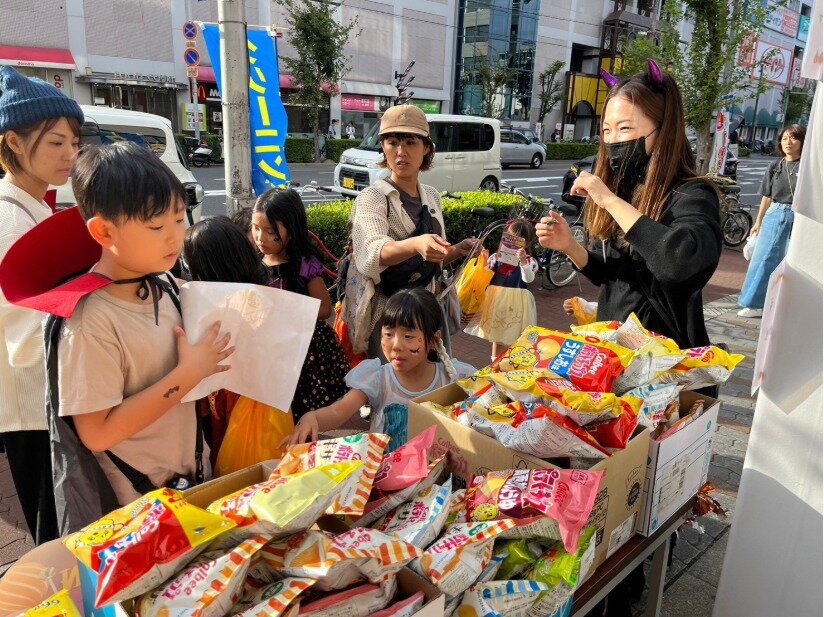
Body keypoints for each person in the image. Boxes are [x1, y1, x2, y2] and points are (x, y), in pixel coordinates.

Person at [58, 142, 233, 506]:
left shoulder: (164, 283)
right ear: (104, 232)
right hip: (142, 504)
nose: (175, 236)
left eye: (179, 218)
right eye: (156, 225)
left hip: (193, 478)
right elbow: (97, 434)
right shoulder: (91, 321)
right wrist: (189, 374)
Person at [536, 59, 722, 352]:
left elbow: (679, 264)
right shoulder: (626, 188)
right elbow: (613, 275)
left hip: (662, 357)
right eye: (607, 130)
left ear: (663, 129)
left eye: (624, 128)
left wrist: (610, 201)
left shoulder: (693, 194)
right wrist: (569, 245)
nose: (612, 140)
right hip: (613, 348)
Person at [0, 66, 83, 544]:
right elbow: (29, 338)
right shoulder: (11, 222)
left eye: (74, 142)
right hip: (35, 410)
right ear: (14, 142)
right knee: (56, 532)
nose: (70, 154)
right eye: (56, 142)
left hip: (45, 401)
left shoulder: (34, 207)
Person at [342, 104, 476, 361]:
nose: (401, 152)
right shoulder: (372, 198)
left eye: (411, 142)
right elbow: (372, 254)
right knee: (391, 382)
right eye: (392, 143)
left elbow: (429, 261)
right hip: (389, 319)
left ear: (426, 148)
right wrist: (415, 244)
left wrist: (459, 250)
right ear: (383, 147)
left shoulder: (432, 197)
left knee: (433, 381)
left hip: (427, 313)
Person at [283, 287, 474, 448]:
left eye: (408, 336)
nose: (396, 345)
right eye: (388, 334)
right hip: (385, 473)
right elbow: (338, 411)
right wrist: (313, 418)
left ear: (434, 340)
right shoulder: (378, 377)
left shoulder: (455, 378)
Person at [182, 216, 293, 471]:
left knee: (236, 465)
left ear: (205, 266)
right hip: (264, 402)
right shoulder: (259, 295)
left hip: (236, 401)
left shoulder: (209, 306)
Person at [252, 188, 350, 421]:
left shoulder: (303, 265)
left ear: (292, 231)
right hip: (270, 348)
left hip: (304, 351)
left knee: (304, 409)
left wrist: (288, 307)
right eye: (255, 228)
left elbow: (325, 309)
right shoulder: (254, 262)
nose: (261, 238)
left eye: (271, 232)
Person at [738, 123, 806, 318]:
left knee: (792, 263)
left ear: (803, 142)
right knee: (763, 259)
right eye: (784, 138)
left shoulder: (808, 167)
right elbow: (766, 197)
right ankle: (753, 303)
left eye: (794, 138)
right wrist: (758, 222)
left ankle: (784, 305)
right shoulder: (775, 166)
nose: (788, 142)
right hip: (774, 213)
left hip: (799, 217)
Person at [464, 219, 538, 362]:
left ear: (527, 243)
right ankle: (495, 362)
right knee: (496, 333)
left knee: (514, 333)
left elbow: (528, 279)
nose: (514, 245)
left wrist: (523, 262)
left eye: (519, 241)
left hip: (517, 303)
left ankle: (511, 362)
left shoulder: (529, 261)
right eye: (510, 239)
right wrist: (484, 260)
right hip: (496, 300)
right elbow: (485, 276)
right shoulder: (496, 258)